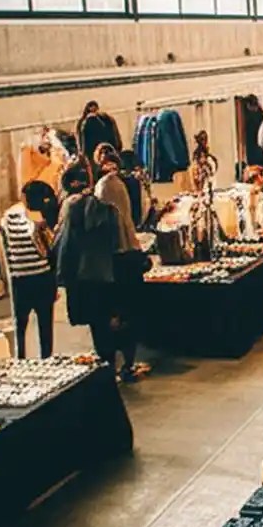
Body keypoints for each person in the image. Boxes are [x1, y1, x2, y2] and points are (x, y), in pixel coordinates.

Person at [56, 161, 122, 373]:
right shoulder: (109, 213)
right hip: (106, 274)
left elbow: (66, 246)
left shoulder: (73, 212)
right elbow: (115, 245)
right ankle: (112, 362)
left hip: (84, 276)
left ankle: (103, 363)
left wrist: (62, 275)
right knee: (107, 321)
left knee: (95, 323)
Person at [93, 144, 150, 382]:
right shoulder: (124, 185)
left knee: (110, 315)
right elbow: (135, 217)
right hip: (129, 254)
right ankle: (127, 364)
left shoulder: (101, 188)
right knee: (129, 313)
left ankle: (111, 364)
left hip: (109, 259)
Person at [0, 181, 59, 358]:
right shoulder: (40, 221)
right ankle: (46, 359)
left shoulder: (7, 219)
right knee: (45, 324)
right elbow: (50, 251)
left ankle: (21, 358)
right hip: (41, 276)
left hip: (19, 278)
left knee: (20, 325)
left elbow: (6, 249)